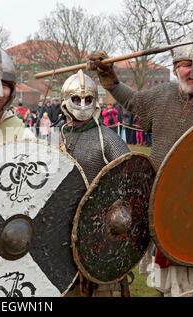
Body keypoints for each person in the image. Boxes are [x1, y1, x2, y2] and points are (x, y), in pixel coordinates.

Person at [87, 31, 193, 297]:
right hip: (166, 211)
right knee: (168, 289)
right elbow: (133, 101)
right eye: (187, 64)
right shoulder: (161, 96)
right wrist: (110, 81)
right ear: (176, 68)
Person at [58, 70, 130, 297]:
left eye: (88, 99)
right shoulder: (56, 138)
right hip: (61, 230)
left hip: (99, 230)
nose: (82, 104)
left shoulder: (107, 138)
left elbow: (130, 181)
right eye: (76, 99)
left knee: (101, 291)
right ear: (65, 102)